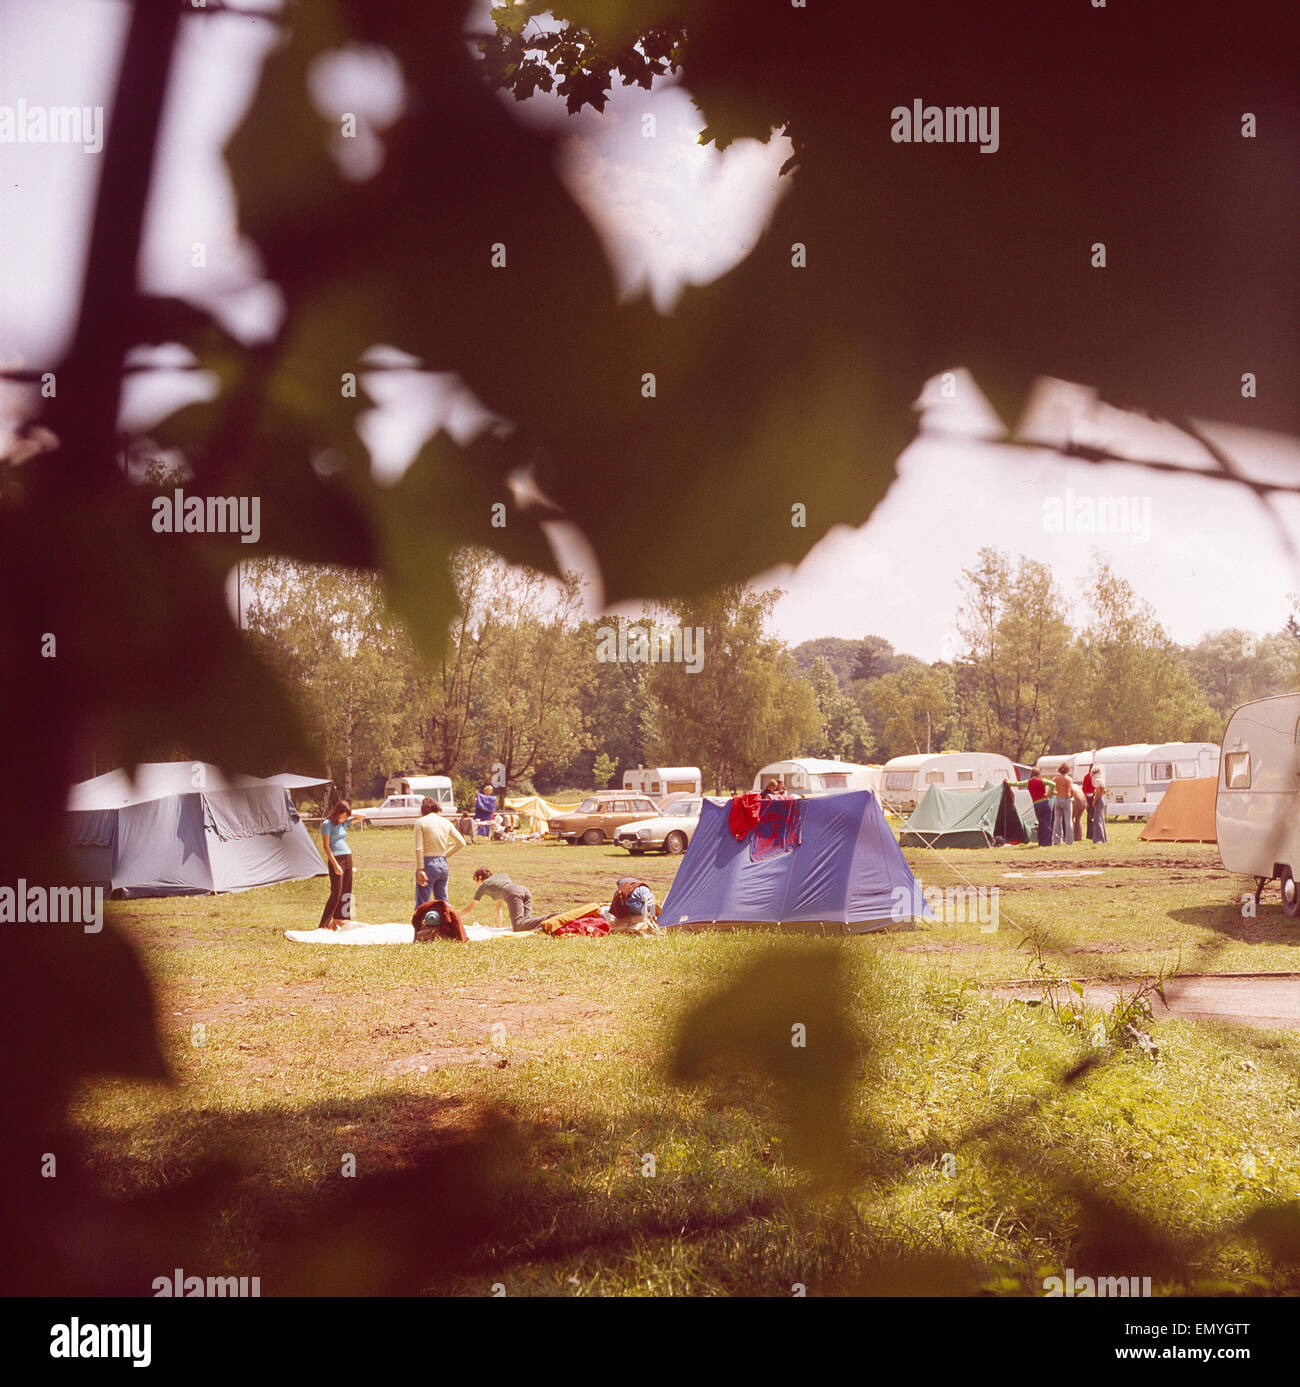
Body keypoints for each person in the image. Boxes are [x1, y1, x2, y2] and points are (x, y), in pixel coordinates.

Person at [415, 798, 467, 907]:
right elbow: (461, 842)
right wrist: (445, 856)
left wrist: (420, 869)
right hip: (443, 863)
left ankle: (421, 924)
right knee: (443, 903)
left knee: (422, 903)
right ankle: (448, 923)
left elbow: (419, 848)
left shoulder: (420, 822)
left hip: (428, 863)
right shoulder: (445, 822)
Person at [467, 867, 543, 931]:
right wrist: (499, 927)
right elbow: (499, 907)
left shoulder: (483, 885)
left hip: (513, 892)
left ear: (479, 877)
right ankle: (550, 920)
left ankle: (552, 916)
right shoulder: (499, 879)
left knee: (518, 926)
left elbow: (470, 907)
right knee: (526, 925)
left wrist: (457, 917)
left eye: (475, 879)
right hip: (524, 890)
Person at [318, 800, 354, 930]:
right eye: (343, 814)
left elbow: (364, 816)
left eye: (346, 816)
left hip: (348, 856)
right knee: (336, 892)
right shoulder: (327, 824)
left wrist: (348, 812)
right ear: (337, 812)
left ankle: (344, 919)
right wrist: (335, 865)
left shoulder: (343, 822)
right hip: (336, 858)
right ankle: (323, 924)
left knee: (347, 890)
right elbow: (326, 847)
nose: (345, 818)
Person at [1012, 769, 1053, 847]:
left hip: (1036, 805)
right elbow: (1053, 784)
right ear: (1038, 774)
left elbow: (1017, 784)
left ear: (1031, 774)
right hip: (1046, 803)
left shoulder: (1028, 782)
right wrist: (1049, 794)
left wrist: (1007, 782)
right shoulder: (1042, 780)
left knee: (1041, 823)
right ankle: (1047, 843)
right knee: (1047, 823)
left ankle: (1040, 842)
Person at [1051, 763, 1075, 845]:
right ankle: (1069, 841)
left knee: (1057, 821)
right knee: (1068, 821)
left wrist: (1056, 793)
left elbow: (1050, 790)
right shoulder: (1069, 779)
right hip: (1066, 800)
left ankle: (1057, 840)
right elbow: (1072, 791)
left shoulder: (1055, 779)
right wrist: (1070, 795)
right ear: (1067, 770)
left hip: (1058, 799)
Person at [1089, 767, 1108, 843]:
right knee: (1100, 819)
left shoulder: (1097, 780)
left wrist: (1094, 801)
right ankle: (1103, 838)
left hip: (1099, 800)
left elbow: (1098, 792)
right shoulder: (1101, 779)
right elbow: (1104, 791)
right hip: (1102, 799)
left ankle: (1099, 838)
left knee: (1097, 820)